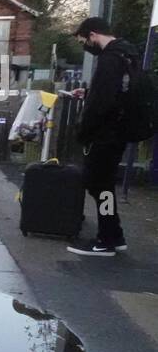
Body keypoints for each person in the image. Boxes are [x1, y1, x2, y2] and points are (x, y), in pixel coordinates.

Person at [69, 16, 134, 257]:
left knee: (98, 184)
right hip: (119, 130)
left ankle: (107, 238)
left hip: (106, 133)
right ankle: (114, 234)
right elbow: (119, 93)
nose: (85, 45)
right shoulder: (127, 55)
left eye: (84, 40)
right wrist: (88, 92)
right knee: (103, 185)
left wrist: (84, 130)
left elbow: (102, 102)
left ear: (93, 34)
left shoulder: (109, 59)